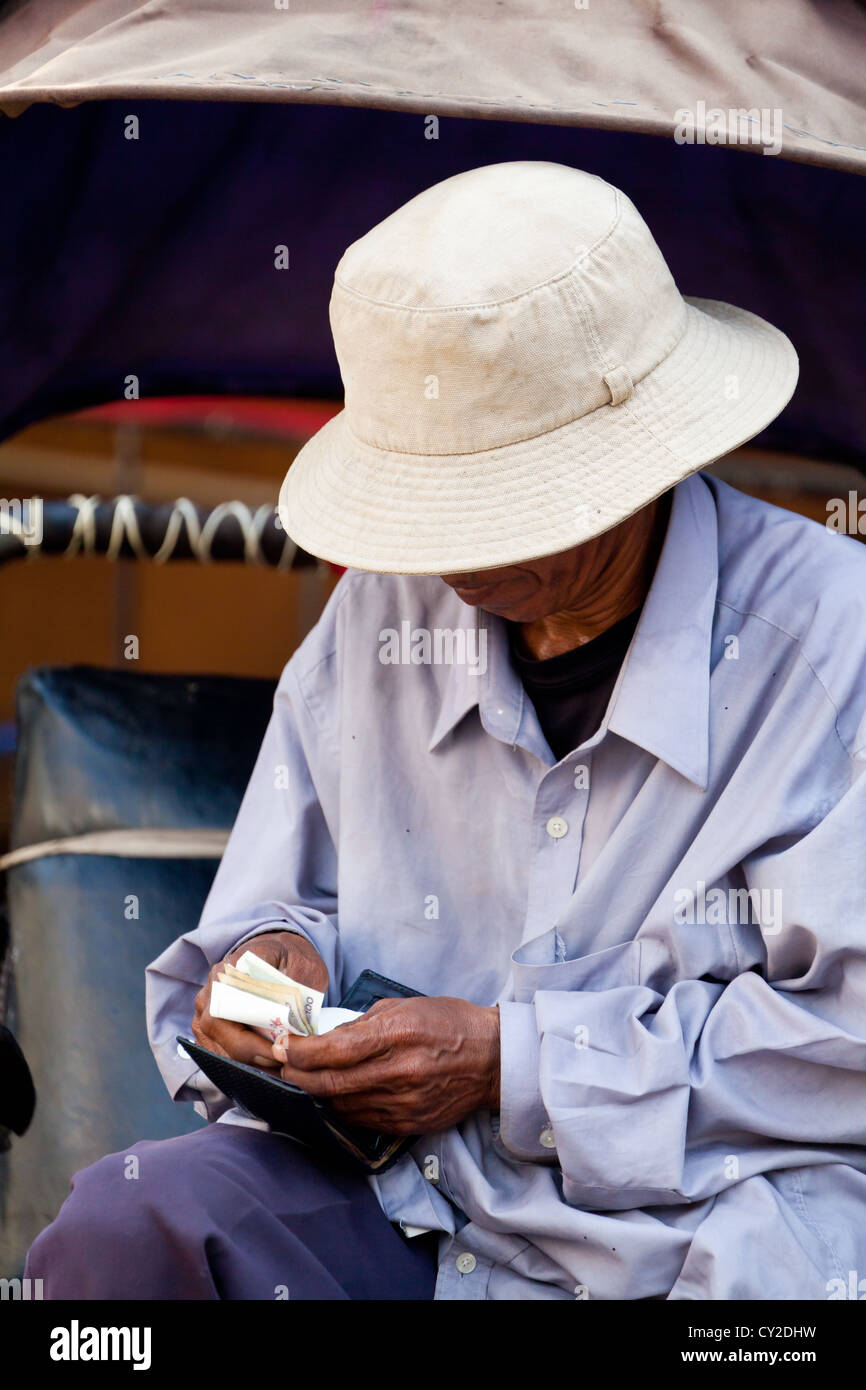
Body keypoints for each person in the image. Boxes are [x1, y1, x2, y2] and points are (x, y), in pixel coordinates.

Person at [27, 162, 866, 1300]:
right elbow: (279, 902)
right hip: (414, 1202)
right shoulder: (380, 612)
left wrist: (512, 1063)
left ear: (634, 473)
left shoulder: (831, 644)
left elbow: (840, 1049)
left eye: (489, 504)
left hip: (707, 1239)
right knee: (131, 1228)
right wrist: (273, 967)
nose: (444, 558)